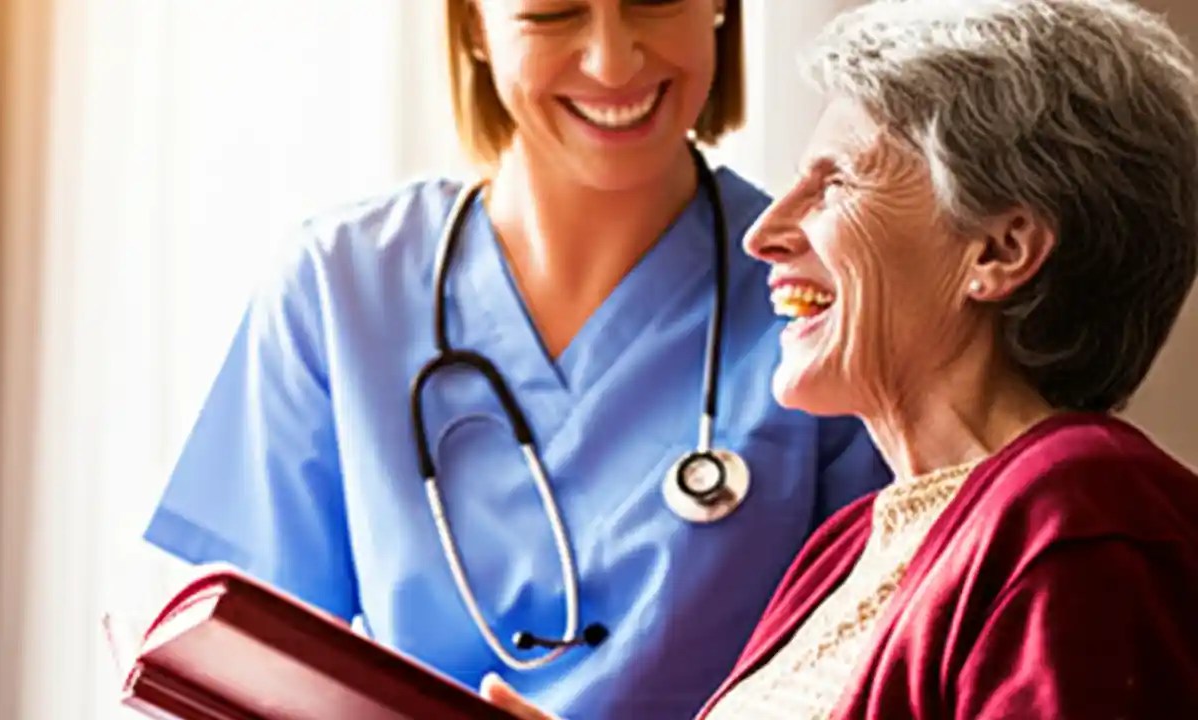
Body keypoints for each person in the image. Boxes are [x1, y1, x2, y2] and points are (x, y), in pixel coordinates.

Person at [140, 1, 890, 718]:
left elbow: (886, 675)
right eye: (553, 13)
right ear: (474, 24)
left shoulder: (828, 298)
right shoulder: (337, 289)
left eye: (656, 0)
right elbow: (248, 673)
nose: (612, 59)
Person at [482, 0, 1198, 717]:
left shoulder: (1083, 515)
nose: (764, 232)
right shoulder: (850, 548)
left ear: (1000, 250)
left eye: (835, 184)